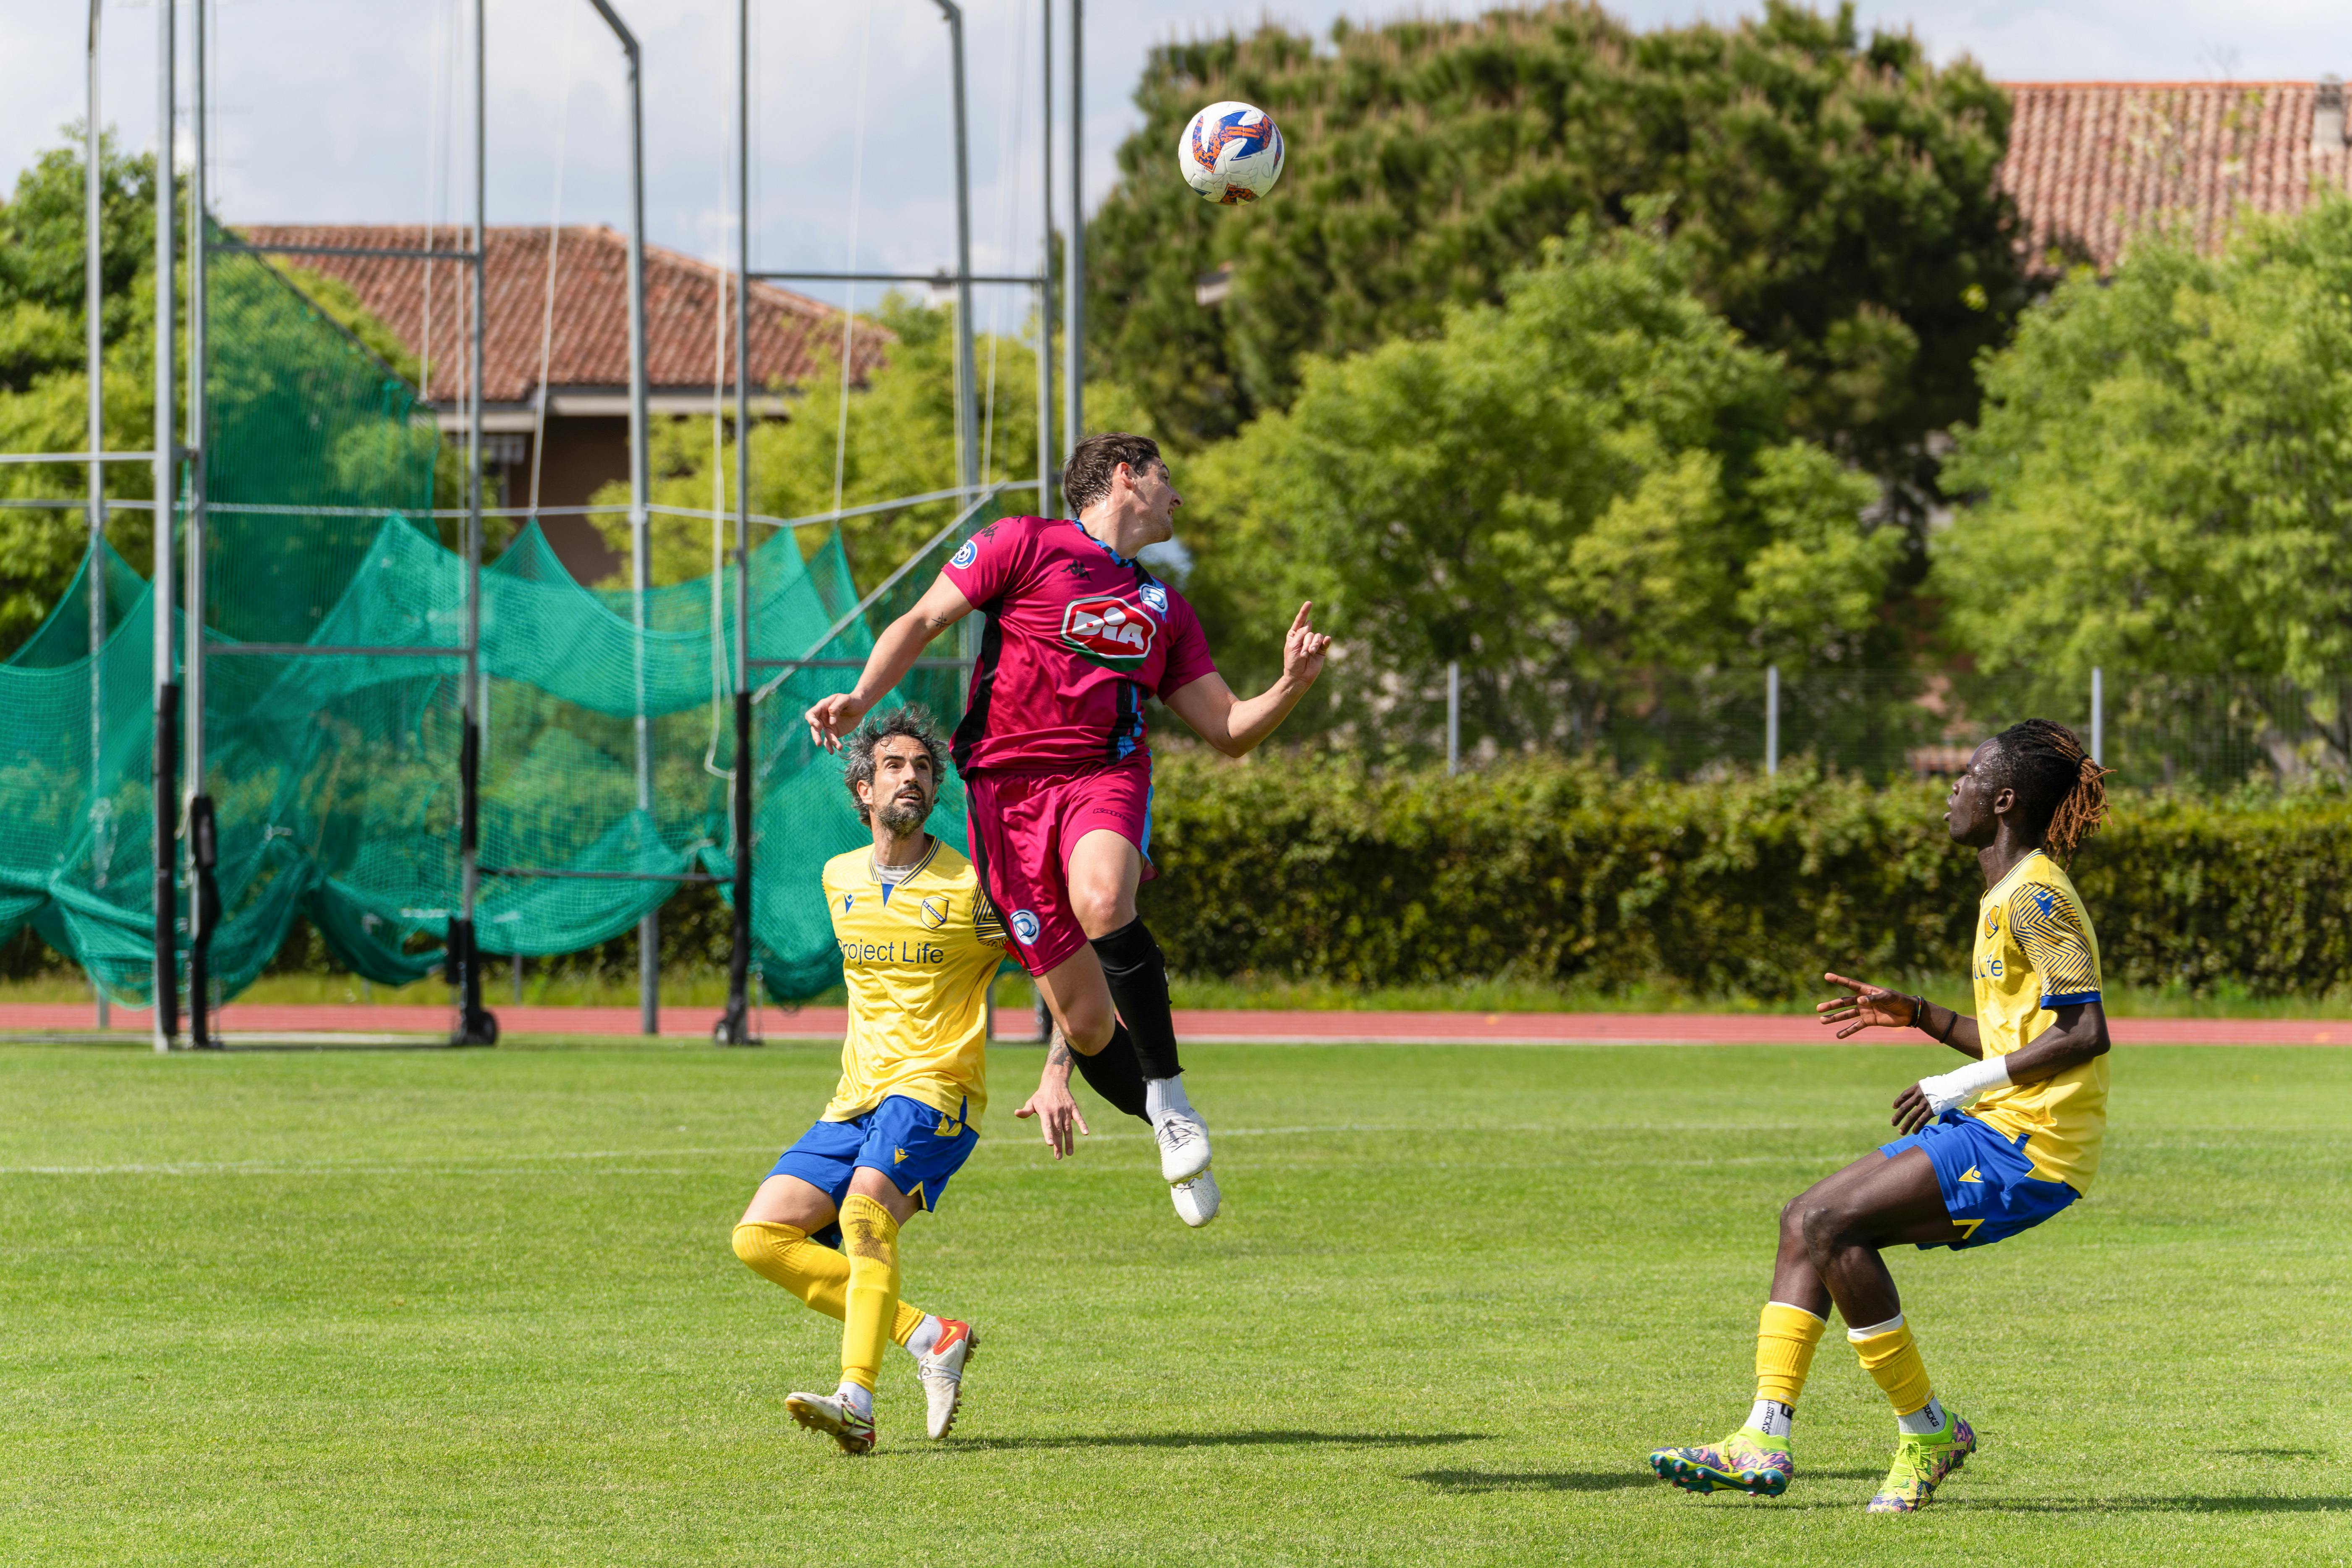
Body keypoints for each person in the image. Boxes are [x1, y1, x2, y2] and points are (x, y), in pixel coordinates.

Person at [803, 432, 1331, 1228]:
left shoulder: (1165, 609)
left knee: (1104, 898)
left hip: (1100, 774)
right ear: (1125, 477)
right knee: (1084, 1025)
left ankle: (1171, 1098)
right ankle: (1165, 1124)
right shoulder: (1021, 542)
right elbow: (923, 618)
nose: (1177, 496)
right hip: (1004, 795)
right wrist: (859, 697)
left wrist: (1289, 684)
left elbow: (1229, 730)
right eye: (1166, 478)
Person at [1648, 719, 2112, 1513]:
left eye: (1969, 777)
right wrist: (1923, 1015)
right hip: (2001, 1125)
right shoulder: (2006, 893)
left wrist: (1959, 1084)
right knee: (1806, 1221)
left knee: (1830, 1223)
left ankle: (1928, 1433)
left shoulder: (2036, 894)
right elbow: (2023, 1037)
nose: (1953, 789)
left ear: (2004, 801)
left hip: (2032, 1145)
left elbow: (2085, 1034)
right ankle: (1761, 1437)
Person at [729, 708, 1004, 1455]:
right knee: (760, 1239)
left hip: (937, 1090)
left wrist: (1058, 1069)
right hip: (856, 1098)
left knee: (863, 1217)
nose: (911, 777)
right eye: (893, 766)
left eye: (924, 768)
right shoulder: (839, 876)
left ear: (936, 789)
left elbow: (1056, 962)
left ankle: (856, 1398)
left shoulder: (975, 888)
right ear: (862, 789)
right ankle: (928, 1334)